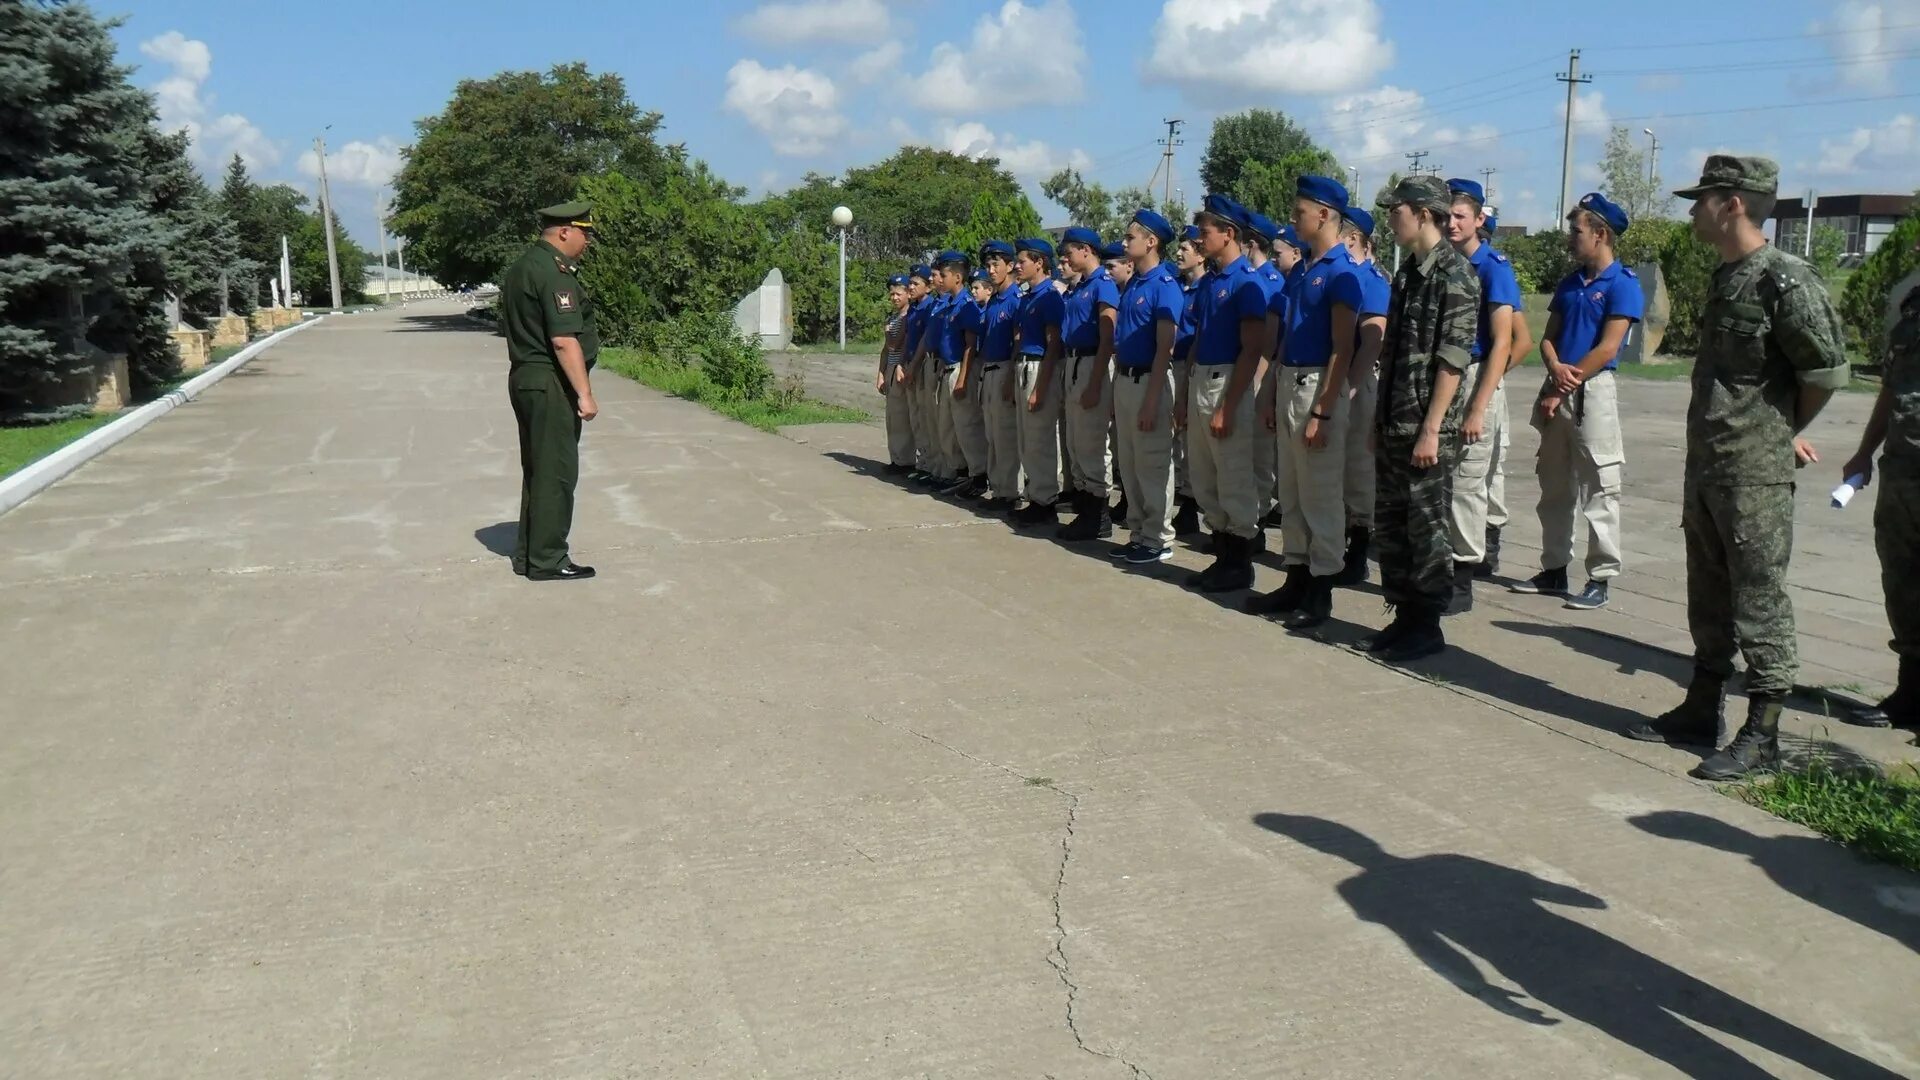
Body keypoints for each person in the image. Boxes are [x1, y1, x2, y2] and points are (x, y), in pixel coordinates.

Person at [1630, 156, 1850, 780]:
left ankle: (1764, 733)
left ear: (1732, 204)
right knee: (1709, 596)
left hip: (1754, 472)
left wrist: (1778, 432)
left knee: (1759, 600)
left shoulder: (1785, 279)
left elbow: (1825, 373)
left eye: (1701, 199)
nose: (1692, 210)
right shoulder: (1727, 275)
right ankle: (1702, 709)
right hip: (1708, 465)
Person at [1359, 176, 1478, 661]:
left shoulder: (1456, 274)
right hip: (1395, 420)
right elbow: (1390, 352)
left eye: (1397, 211)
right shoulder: (1408, 271)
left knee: (1426, 529)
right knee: (1392, 526)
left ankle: (1426, 625)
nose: (1391, 220)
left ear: (1423, 213)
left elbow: (1453, 359)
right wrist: (1378, 418)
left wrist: (1431, 429)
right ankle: (1404, 617)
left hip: (1427, 427)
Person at [1511, 193, 1642, 611]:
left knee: (1600, 486)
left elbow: (1608, 348)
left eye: (1576, 231)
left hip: (1591, 392)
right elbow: (1548, 338)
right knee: (1553, 485)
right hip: (1558, 387)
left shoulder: (1623, 284)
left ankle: (1600, 577)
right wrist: (1553, 367)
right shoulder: (1570, 284)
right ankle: (1553, 569)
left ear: (1600, 234)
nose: (1570, 238)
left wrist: (1563, 385)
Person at [1249, 177, 1361, 629]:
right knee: (1292, 492)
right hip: (1289, 380)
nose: (1294, 219)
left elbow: (1343, 348)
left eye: (1300, 212)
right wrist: (1270, 392)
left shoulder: (1341, 272)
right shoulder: (1302, 270)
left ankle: (1320, 589)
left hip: (1317, 386)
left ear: (1323, 214)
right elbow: (1284, 342)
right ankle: (1295, 576)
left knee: (1320, 495)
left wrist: (1323, 410)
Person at [503, 201, 600, 581]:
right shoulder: (554, 273)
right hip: (549, 382)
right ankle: (548, 558)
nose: (587, 241)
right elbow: (563, 340)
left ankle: (529, 554)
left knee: (538, 469)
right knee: (556, 472)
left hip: (526, 378)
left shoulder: (524, 266)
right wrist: (584, 393)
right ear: (564, 231)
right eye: (584, 233)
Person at [1443, 178, 1529, 613]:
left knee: (1467, 482)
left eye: (1461, 216)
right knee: (1443, 480)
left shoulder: (1493, 268)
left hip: (1475, 375)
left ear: (1479, 219)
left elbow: (1506, 342)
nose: (1452, 224)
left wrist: (1480, 401)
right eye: (1447, 215)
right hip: (1446, 376)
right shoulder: (1444, 264)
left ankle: (1463, 579)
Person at [1844, 247, 1920, 731]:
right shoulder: (1914, 307)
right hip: (1902, 468)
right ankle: (1910, 693)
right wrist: (1864, 452)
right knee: (1902, 580)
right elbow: (1892, 387)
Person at [1185, 194, 1270, 592]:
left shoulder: (1245, 283)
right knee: (1205, 476)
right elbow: (1199, 337)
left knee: (1233, 477)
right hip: (1202, 378)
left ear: (1229, 233)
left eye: (1205, 231)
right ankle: (1221, 554)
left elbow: (1252, 349)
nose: (1199, 239)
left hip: (1227, 382)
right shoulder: (1210, 282)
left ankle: (1239, 563)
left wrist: (1229, 406)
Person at [1108, 208, 1184, 565]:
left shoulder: (1163, 285)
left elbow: (1165, 347)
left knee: (1152, 464)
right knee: (1130, 463)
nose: (1125, 244)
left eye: (1130, 237)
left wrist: (1153, 400)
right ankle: (1138, 532)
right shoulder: (1135, 284)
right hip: (1125, 379)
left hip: (1148, 382)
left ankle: (1157, 537)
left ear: (1151, 241)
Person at [1334, 207, 1391, 586]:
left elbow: (1372, 341)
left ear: (1353, 238)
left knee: (1357, 469)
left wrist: (1350, 387)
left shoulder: (1372, 280)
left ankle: (1358, 548)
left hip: (1358, 382)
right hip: (1335, 380)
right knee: (1334, 469)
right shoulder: (1340, 276)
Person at [1057, 226, 1119, 540]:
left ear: (1086, 250)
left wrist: (1095, 384)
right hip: (1074, 362)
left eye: (1069, 252)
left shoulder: (1102, 285)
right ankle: (1085, 507)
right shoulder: (1080, 286)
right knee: (1076, 442)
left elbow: (1107, 337)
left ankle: (1097, 515)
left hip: (1093, 362)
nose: (1065, 258)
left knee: (1092, 442)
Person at [1012, 237, 1066, 525]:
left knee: (1040, 438)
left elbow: (1053, 343)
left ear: (1039, 262)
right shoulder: (1029, 296)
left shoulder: (1049, 296)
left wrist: (1041, 387)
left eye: (1022, 261)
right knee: (1026, 438)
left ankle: (1045, 500)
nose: (1017, 266)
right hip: (1023, 366)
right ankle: (1035, 495)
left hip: (1038, 367)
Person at [1244, 211, 1288, 544]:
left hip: (1261, 373)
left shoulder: (1271, 281)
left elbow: (1268, 343)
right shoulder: (1247, 277)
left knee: (1259, 456)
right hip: (1242, 371)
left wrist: (1260, 382)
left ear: (1250, 243)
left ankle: (1256, 523)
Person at [977, 240, 1025, 510]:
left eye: (996, 264)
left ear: (1010, 266)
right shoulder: (994, 300)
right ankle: (998, 489)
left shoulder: (1016, 299)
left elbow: (1017, 341)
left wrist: (1010, 379)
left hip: (1006, 368)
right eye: (988, 265)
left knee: (1006, 435)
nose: (991, 270)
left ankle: (1011, 492)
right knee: (992, 434)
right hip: (989, 369)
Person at [1170, 225, 1208, 537]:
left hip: (1191, 367)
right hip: (1173, 365)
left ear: (1201, 254)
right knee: (1175, 437)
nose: (1179, 253)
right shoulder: (1180, 287)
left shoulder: (1206, 287)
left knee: (1190, 441)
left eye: (1186, 249)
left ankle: (1192, 505)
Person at [948, 268, 994, 498]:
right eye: (972, 287)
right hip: (982, 368)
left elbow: (971, 345)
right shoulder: (978, 310)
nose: (973, 291)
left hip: (986, 366)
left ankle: (982, 477)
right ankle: (976, 475)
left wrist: (963, 379)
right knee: (971, 425)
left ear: (989, 289)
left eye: (977, 287)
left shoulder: (981, 309)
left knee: (977, 425)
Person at [900, 265, 936, 484]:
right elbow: (908, 338)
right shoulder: (913, 308)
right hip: (910, 363)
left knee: (926, 417)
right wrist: (903, 364)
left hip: (922, 365)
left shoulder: (930, 307)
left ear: (928, 287)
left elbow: (924, 340)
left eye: (916, 284)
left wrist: (913, 366)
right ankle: (922, 463)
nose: (911, 287)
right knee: (915, 416)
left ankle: (930, 465)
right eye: (910, 283)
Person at [876, 273, 913, 474]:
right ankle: (896, 458)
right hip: (890, 368)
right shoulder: (893, 318)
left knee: (901, 416)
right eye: (892, 294)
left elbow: (895, 344)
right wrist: (881, 374)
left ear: (908, 293)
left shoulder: (908, 316)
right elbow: (886, 349)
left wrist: (889, 332)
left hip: (901, 368)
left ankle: (905, 461)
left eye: (899, 294)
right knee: (892, 417)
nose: (895, 298)